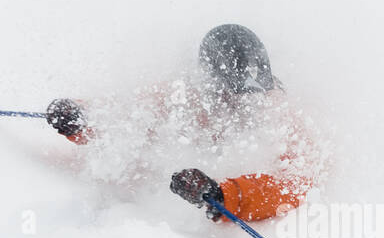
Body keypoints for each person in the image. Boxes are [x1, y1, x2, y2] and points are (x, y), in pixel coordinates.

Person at [45, 25, 318, 223]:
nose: (241, 99)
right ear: (210, 79)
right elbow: (126, 117)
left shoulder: (283, 117)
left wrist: (223, 194)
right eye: (230, 89)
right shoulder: (186, 98)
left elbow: (293, 185)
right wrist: (80, 119)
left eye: (250, 90)